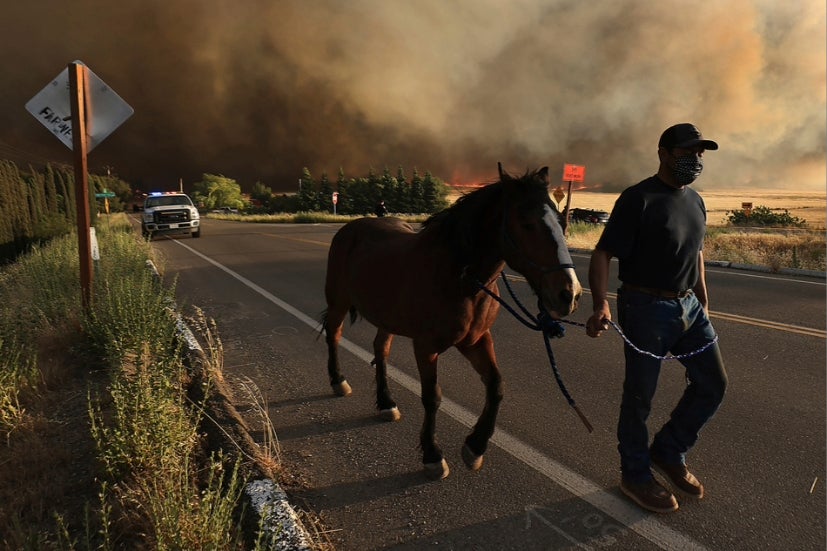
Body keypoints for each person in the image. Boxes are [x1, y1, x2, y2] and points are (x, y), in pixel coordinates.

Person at [586, 123, 728, 514]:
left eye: (701, 153)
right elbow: (602, 254)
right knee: (639, 397)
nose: (696, 160)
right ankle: (634, 474)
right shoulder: (639, 198)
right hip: (645, 308)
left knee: (712, 383)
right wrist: (601, 304)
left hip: (689, 309)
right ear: (664, 153)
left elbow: (695, 250)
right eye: (688, 153)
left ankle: (668, 451)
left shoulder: (696, 201)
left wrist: (702, 298)